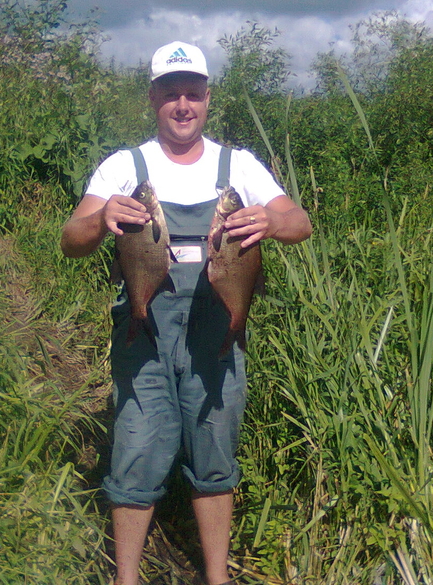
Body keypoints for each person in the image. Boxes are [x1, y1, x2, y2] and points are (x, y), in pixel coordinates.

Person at [60, 41, 312, 585]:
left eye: (192, 94)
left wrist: (270, 223)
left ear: (207, 99)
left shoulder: (237, 165)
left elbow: (300, 223)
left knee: (215, 444)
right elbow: (71, 240)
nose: (182, 105)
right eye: (170, 93)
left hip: (217, 326)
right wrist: (102, 215)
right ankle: (125, 577)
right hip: (144, 327)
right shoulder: (125, 166)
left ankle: (216, 577)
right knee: (137, 441)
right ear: (153, 98)